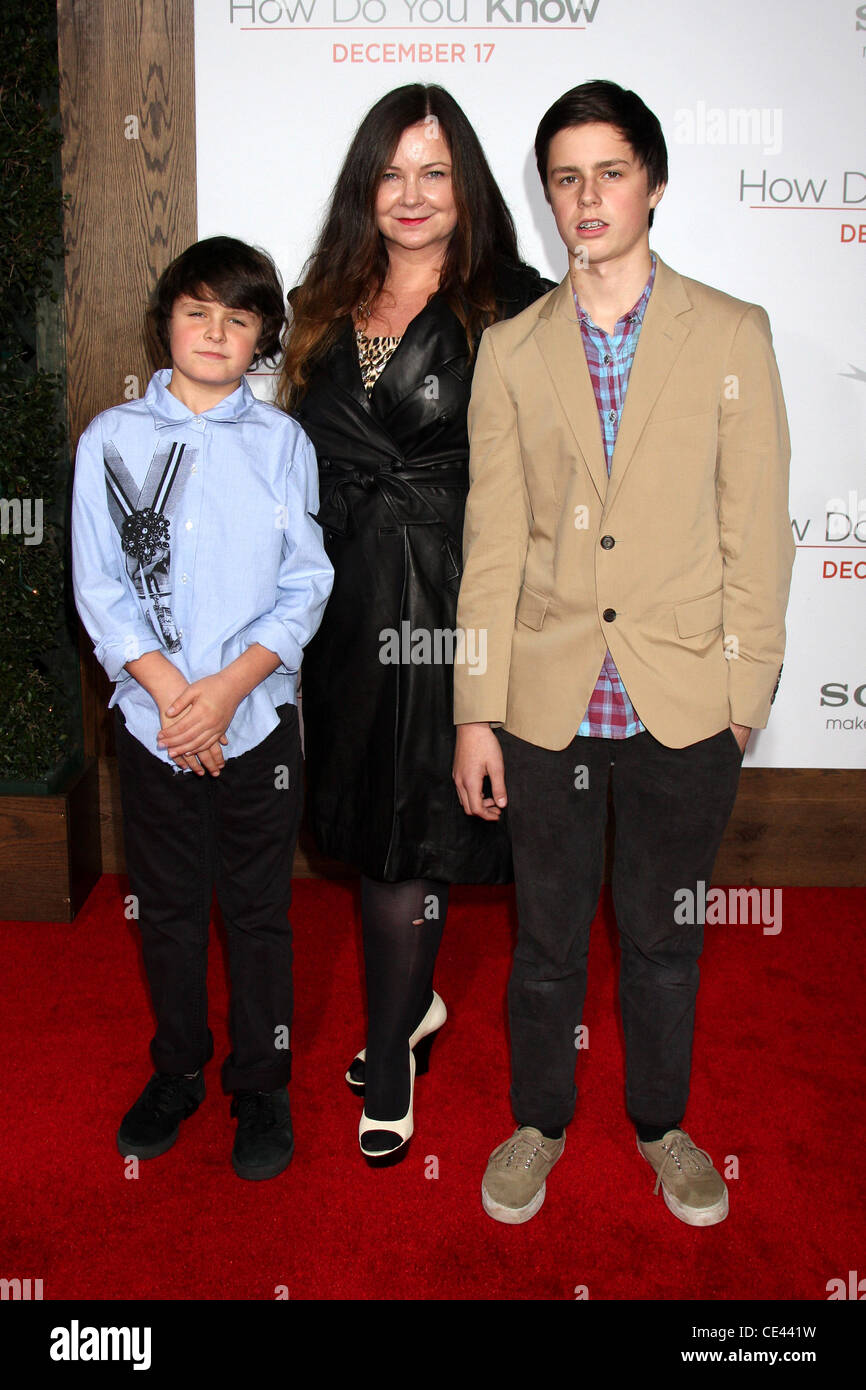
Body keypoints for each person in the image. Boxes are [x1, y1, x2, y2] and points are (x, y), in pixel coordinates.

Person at [453, 81, 794, 1225]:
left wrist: (741, 697)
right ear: (544, 195)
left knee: (661, 938)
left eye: (608, 171)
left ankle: (661, 1124)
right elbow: (491, 543)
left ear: (651, 181)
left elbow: (756, 534)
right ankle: (537, 1120)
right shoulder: (508, 351)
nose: (585, 196)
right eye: (564, 176)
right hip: (546, 703)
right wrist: (472, 710)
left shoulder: (731, 332)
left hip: (683, 700)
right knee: (544, 941)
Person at [277, 84, 552, 1166]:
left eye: (433, 172)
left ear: (466, 184)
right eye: (389, 172)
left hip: (452, 604)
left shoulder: (514, 304)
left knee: (415, 828)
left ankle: (388, 1052)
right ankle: (415, 1007)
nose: (410, 194)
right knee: (372, 819)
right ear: (365, 186)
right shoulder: (318, 304)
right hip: (343, 609)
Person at [72, 236, 333, 1181]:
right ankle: (178, 1068)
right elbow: (98, 587)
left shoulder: (283, 443)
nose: (215, 332)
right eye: (198, 311)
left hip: (257, 720)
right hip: (152, 726)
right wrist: (175, 697)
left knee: (260, 912)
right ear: (166, 320)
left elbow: (306, 583)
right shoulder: (110, 440)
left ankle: (261, 1082)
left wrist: (224, 693)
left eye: (238, 317)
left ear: (261, 336)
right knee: (172, 911)